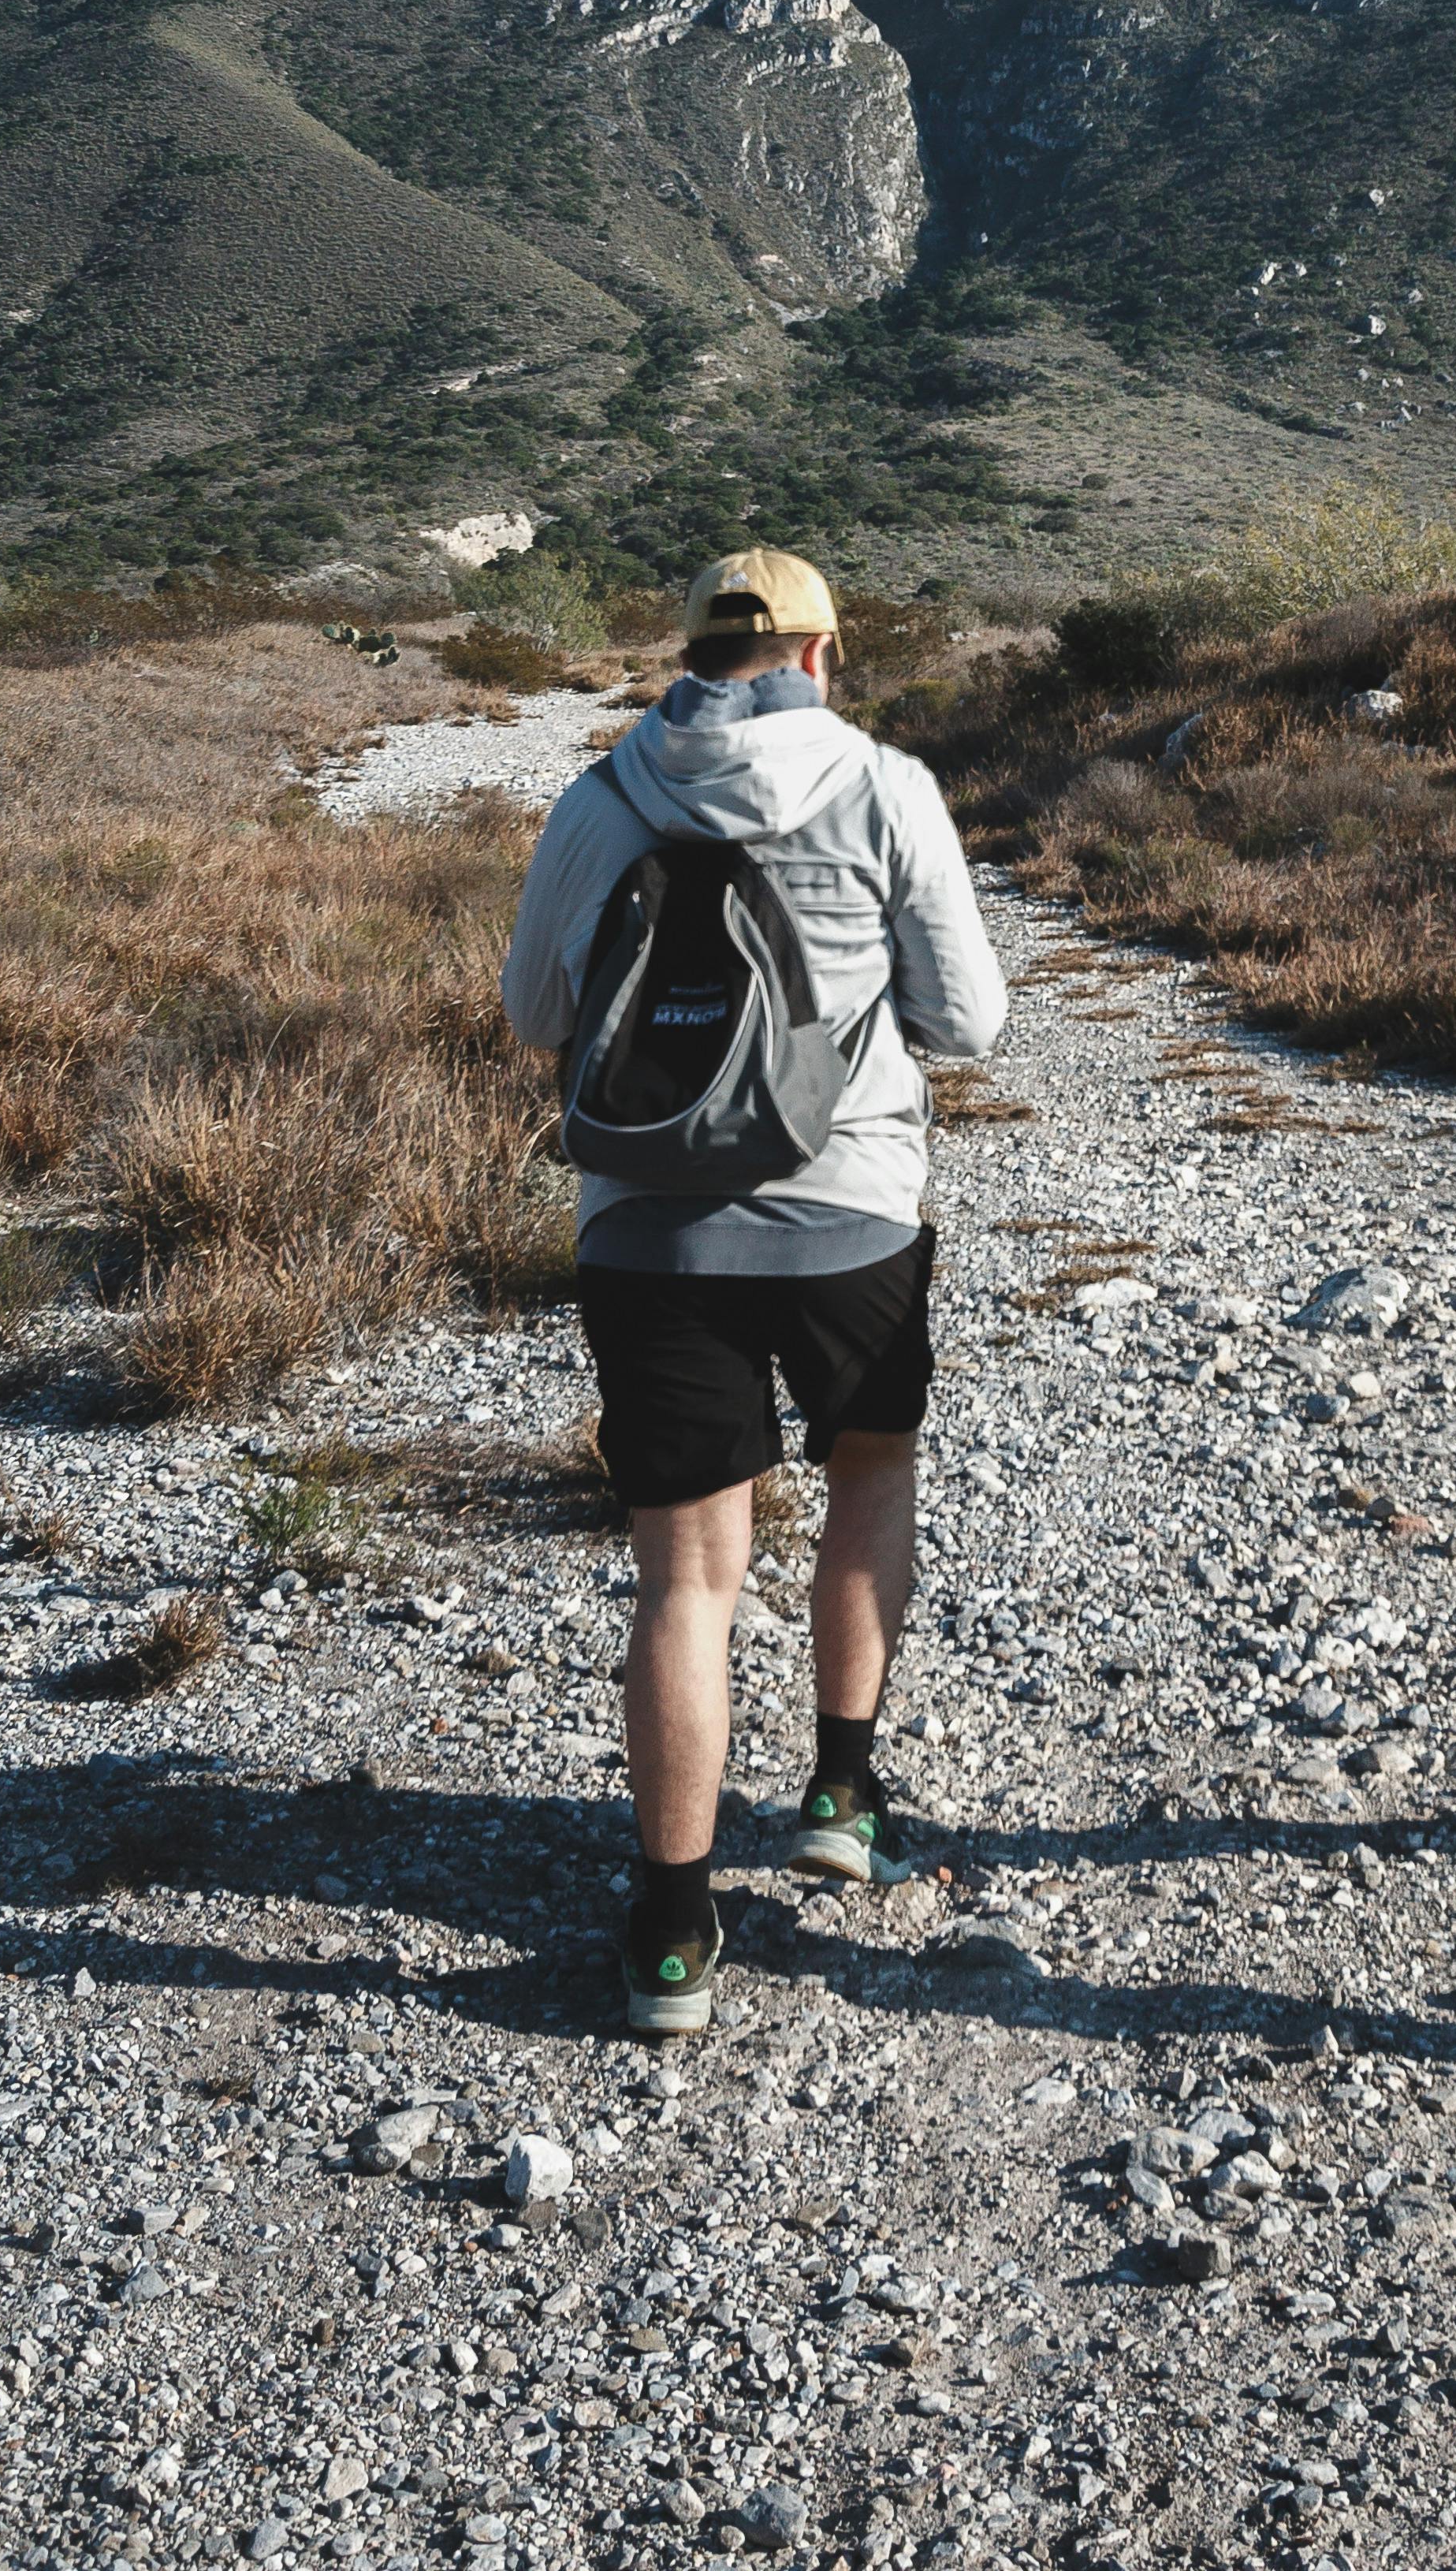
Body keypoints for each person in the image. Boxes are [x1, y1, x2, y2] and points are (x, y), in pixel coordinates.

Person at [503, 544, 1007, 2034]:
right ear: (819, 654)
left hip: (647, 1232)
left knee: (687, 1577)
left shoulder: (600, 801)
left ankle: (671, 1932)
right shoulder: (885, 787)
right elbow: (967, 1020)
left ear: (694, 656)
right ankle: (842, 1796)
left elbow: (538, 1012)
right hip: (849, 1214)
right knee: (870, 1472)